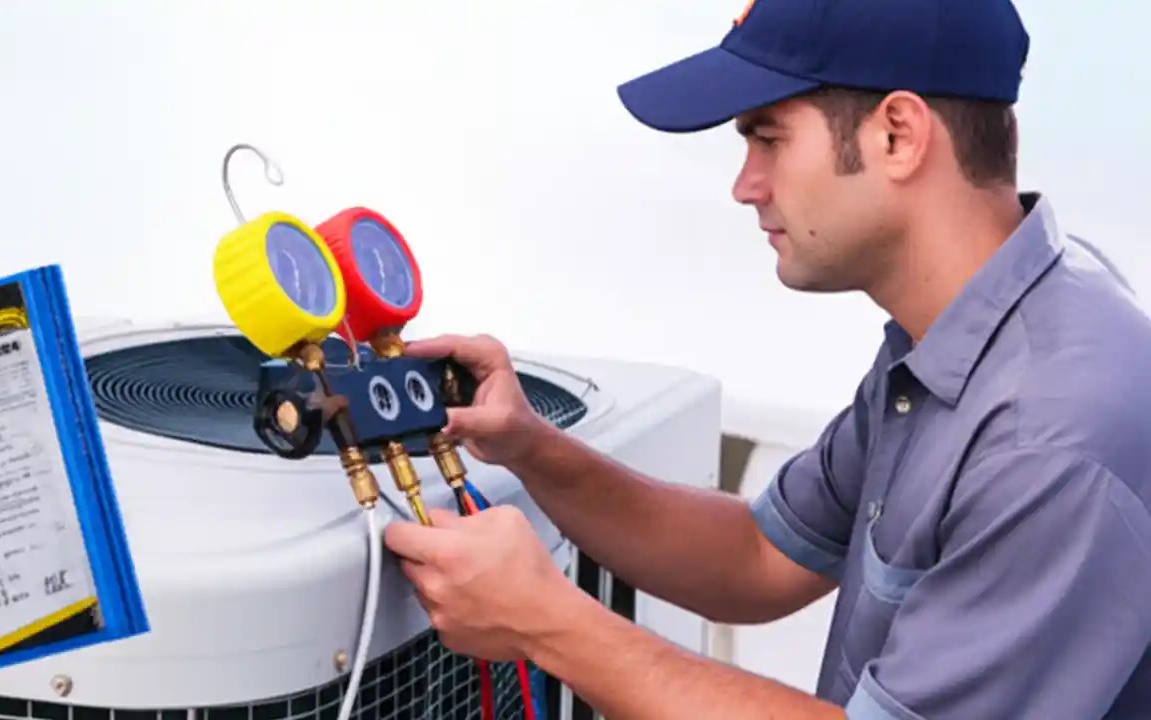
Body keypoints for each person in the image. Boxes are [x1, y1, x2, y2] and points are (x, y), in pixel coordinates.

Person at [383, 0, 1151, 716]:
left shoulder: (1052, 432)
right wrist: (530, 447)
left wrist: (543, 623)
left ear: (898, 135)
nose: (745, 186)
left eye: (767, 137)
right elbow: (754, 557)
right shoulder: (954, 344)